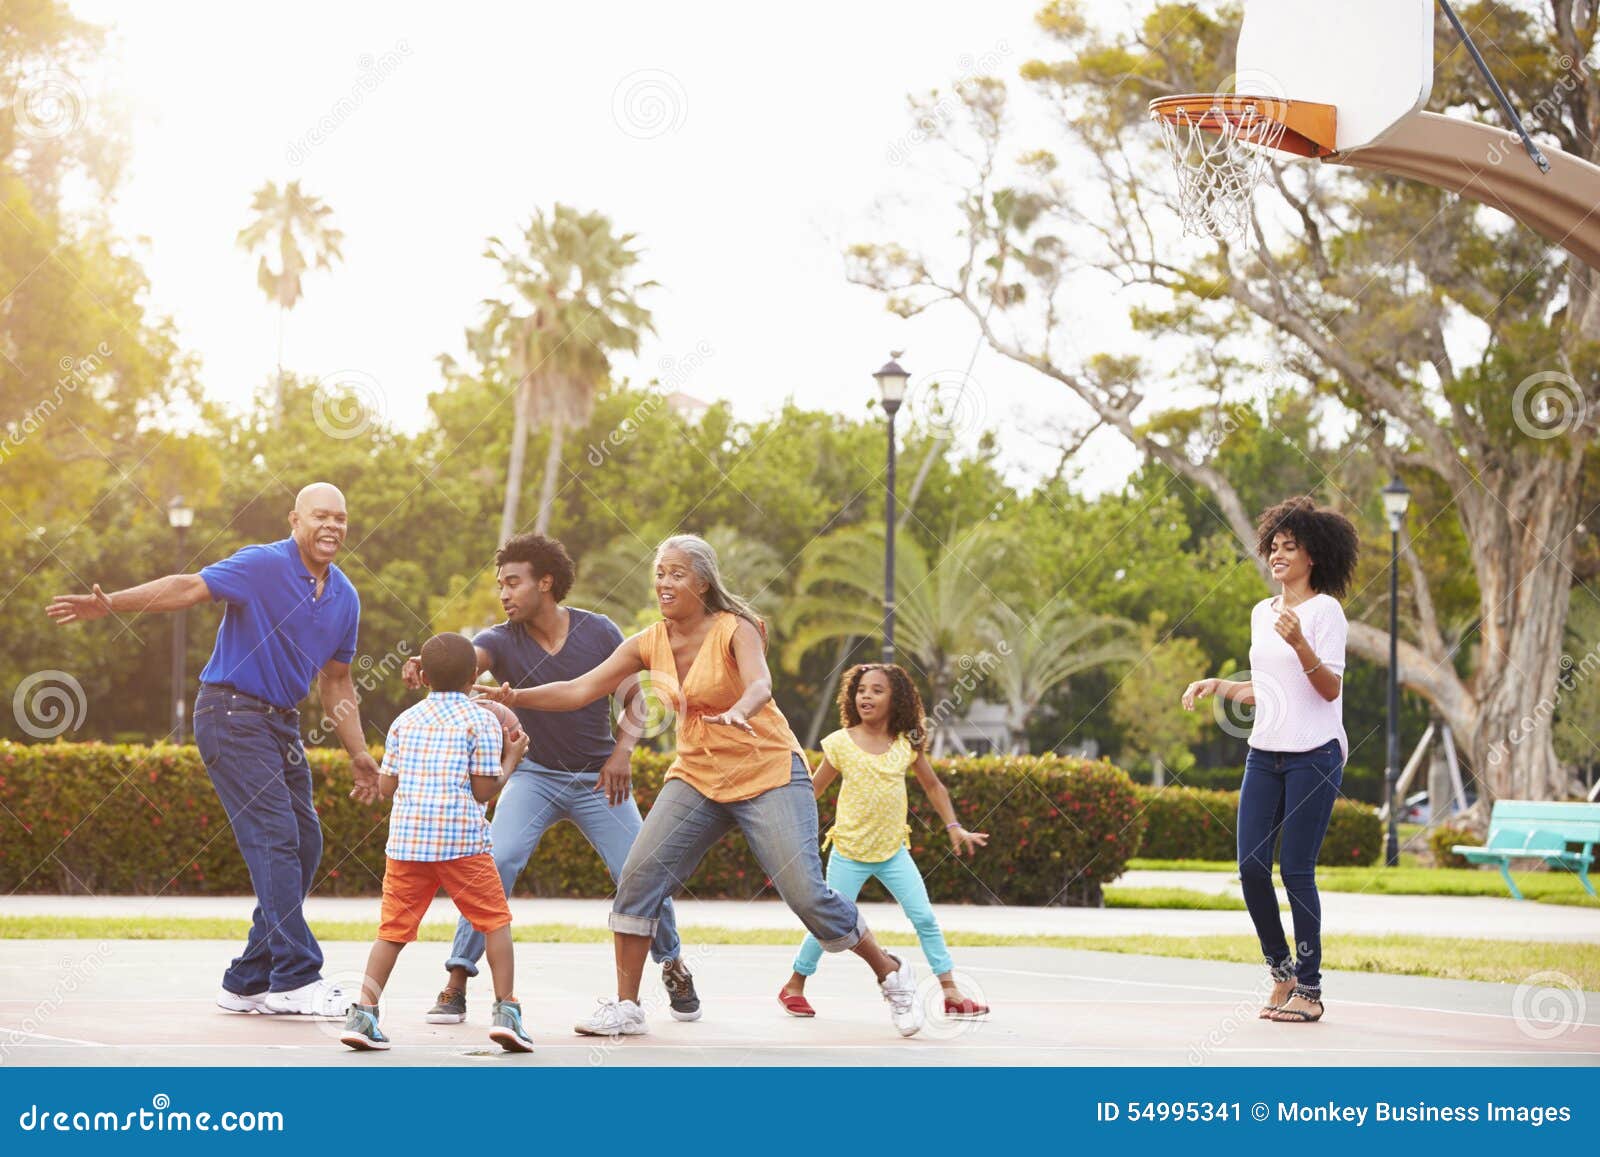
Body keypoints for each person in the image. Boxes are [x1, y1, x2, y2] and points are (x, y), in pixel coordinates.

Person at [477, 533, 924, 1038]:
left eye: (677, 574)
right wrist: (515, 695)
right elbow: (581, 688)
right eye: (660, 573)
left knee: (804, 892)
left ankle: (890, 971)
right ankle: (627, 1005)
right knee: (639, 878)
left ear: (703, 582)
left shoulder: (736, 629)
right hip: (698, 775)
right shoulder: (648, 641)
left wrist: (740, 709)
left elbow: (760, 683)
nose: (664, 582)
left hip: (768, 771)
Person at [46, 482, 378, 1018]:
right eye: (321, 516)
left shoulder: (344, 596)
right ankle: (295, 976)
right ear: (295, 520)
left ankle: (248, 980)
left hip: (282, 725)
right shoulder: (263, 564)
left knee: (307, 843)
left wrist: (358, 751)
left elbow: (337, 681)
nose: (332, 527)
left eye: (341, 518)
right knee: (275, 836)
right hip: (230, 714)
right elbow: (188, 587)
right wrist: (113, 606)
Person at [399, 534, 698, 1025]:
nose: (504, 593)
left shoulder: (599, 631)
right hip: (535, 775)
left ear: (546, 582)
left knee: (639, 872)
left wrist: (622, 752)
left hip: (598, 779)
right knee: (498, 862)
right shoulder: (498, 639)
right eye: (500, 585)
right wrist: (430, 666)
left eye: (513, 583)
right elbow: (467, 660)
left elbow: (636, 699)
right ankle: (456, 981)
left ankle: (672, 962)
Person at [1181, 495, 1359, 1025]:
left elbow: (1327, 689)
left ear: (1314, 558)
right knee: (1252, 869)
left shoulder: (1325, 612)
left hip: (1315, 755)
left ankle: (1310, 987)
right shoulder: (1263, 612)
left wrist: (1302, 642)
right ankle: (1280, 971)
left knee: (1296, 871)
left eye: (1290, 547)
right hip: (1265, 753)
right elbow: (1270, 689)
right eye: (1274, 547)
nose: (1278, 555)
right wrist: (1220, 686)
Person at [340, 633, 534, 1053]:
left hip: (408, 845)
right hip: (462, 843)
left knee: (391, 931)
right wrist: (512, 758)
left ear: (423, 676)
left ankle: (364, 1013)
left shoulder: (402, 722)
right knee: (494, 922)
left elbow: (388, 786)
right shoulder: (482, 719)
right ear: (474, 676)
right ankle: (506, 1012)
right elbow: (484, 791)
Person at [776, 663, 990, 1019]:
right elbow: (813, 789)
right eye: (861, 690)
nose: (866, 696)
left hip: (893, 852)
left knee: (924, 917)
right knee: (827, 921)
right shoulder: (841, 742)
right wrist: (783, 827)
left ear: (897, 699)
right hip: (848, 851)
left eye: (877, 690)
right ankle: (794, 985)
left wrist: (954, 825)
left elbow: (934, 786)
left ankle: (951, 993)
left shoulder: (907, 743)